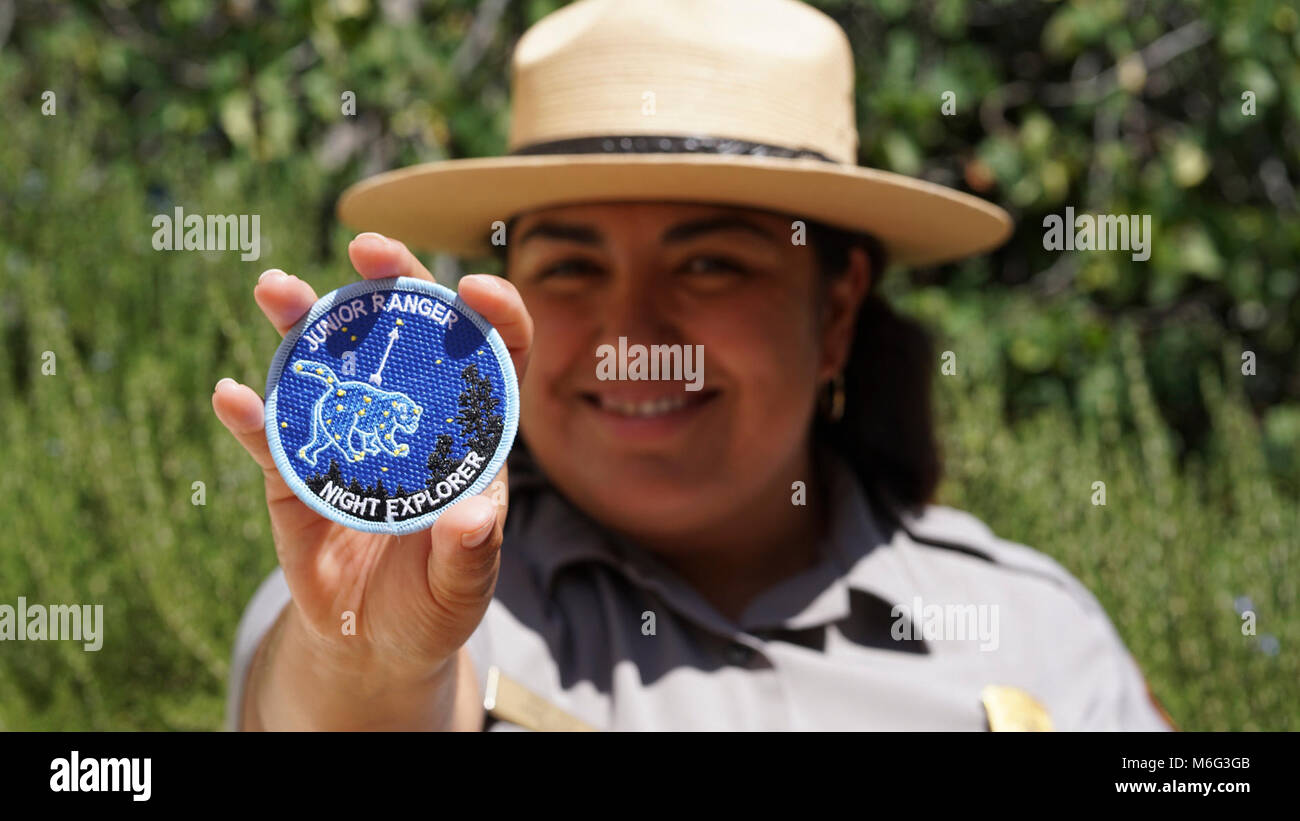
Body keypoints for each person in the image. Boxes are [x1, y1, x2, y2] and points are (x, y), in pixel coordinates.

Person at [214, 0, 1173, 731]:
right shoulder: (417, 596)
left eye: (711, 263)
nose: (632, 332)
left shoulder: (1037, 636)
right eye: (573, 267)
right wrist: (372, 665)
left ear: (835, 310)